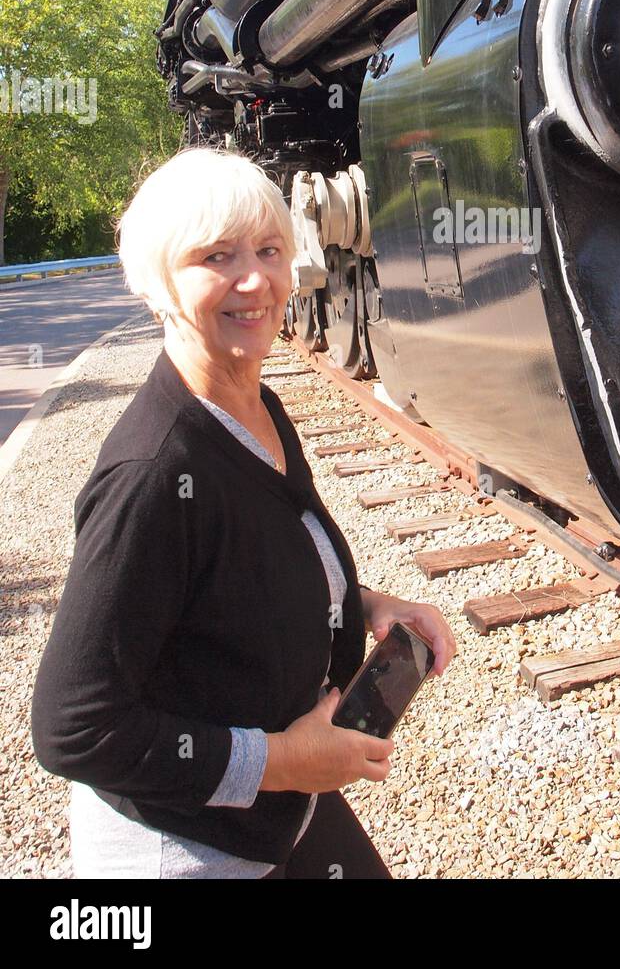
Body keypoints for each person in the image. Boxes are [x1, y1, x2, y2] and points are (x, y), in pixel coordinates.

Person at [31, 147, 456, 878]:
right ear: (160, 283)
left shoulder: (255, 403)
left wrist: (367, 605)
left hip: (276, 813)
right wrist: (286, 761)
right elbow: (73, 728)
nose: (254, 279)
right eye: (214, 257)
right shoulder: (153, 476)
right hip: (191, 843)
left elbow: (245, 569)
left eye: (269, 250)